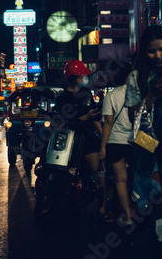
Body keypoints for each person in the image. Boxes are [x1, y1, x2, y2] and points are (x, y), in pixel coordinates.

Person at [54, 60, 104, 207]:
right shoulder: (63, 98)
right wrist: (85, 118)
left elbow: (94, 116)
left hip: (88, 138)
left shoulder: (86, 92)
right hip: (70, 141)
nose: (85, 78)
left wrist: (103, 137)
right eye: (82, 75)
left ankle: (101, 207)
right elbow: (64, 122)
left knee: (98, 174)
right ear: (74, 77)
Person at [100, 73, 136, 228]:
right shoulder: (138, 93)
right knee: (137, 178)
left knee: (121, 180)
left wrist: (103, 147)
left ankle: (128, 216)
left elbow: (108, 123)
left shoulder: (111, 95)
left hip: (115, 142)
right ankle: (140, 211)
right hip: (136, 142)